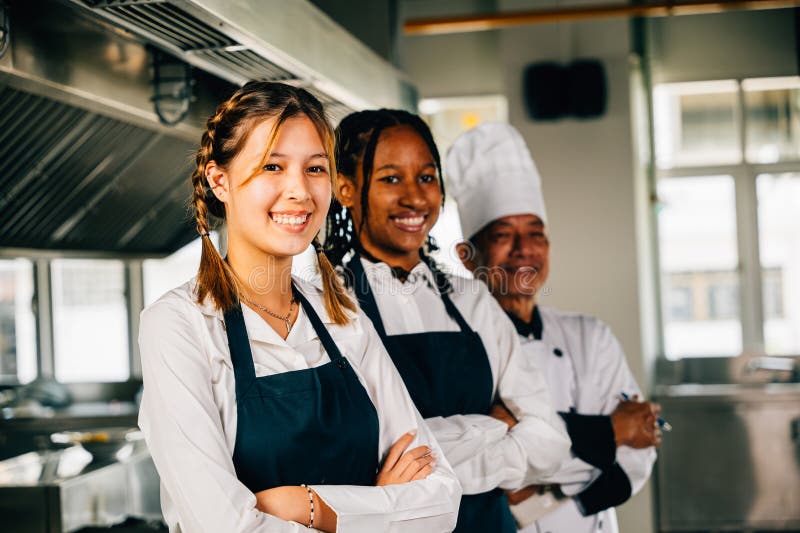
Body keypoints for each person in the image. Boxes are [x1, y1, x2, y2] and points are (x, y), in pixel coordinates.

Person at [137, 82, 461, 533]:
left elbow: (441, 501)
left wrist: (306, 506)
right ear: (219, 181)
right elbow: (225, 528)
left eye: (315, 169)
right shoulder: (179, 326)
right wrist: (378, 506)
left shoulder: (342, 315)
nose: (300, 191)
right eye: (272, 166)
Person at [324, 109, 571, 533]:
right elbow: (350, 458)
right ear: (345, 189)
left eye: (426, 177)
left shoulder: (472, 299)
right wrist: (489, 428)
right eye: (390, 178)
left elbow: (551, 442)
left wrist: (424, 461)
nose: (416, 198)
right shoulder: (330, 305)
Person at [446, 122, 660, 533]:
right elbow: (471, 455)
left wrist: (544, 488)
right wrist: (610, 432)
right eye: (503, 235)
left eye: (536, 234)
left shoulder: (590, 336)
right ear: (468, 256)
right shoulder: (456, 347)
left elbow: (638, 453)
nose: (523, 248)